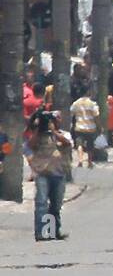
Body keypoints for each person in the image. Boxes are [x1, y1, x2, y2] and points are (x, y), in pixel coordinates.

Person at [26, 93, 72, 241]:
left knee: (56, 206)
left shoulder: (64, 134)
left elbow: (67, 144)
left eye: (57, 118)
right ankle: (40, 233)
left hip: (59, 174)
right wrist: (38, 130)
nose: (55, 120)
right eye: (54, 118)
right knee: (41, 203)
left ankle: (54, 232)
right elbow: (30, 146)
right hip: (43, 173)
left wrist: (53, 132)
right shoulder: (40, 135)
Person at [70, 87, 101, 168]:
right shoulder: (92, 104)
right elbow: (96, 116)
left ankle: (80, 160)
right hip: (91, 128)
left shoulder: (76, 103)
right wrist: (99, 127)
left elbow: (71, 113)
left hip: (79, 127)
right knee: (90, 145)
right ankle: (89, 162)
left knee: (79, 144)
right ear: (88, 92)